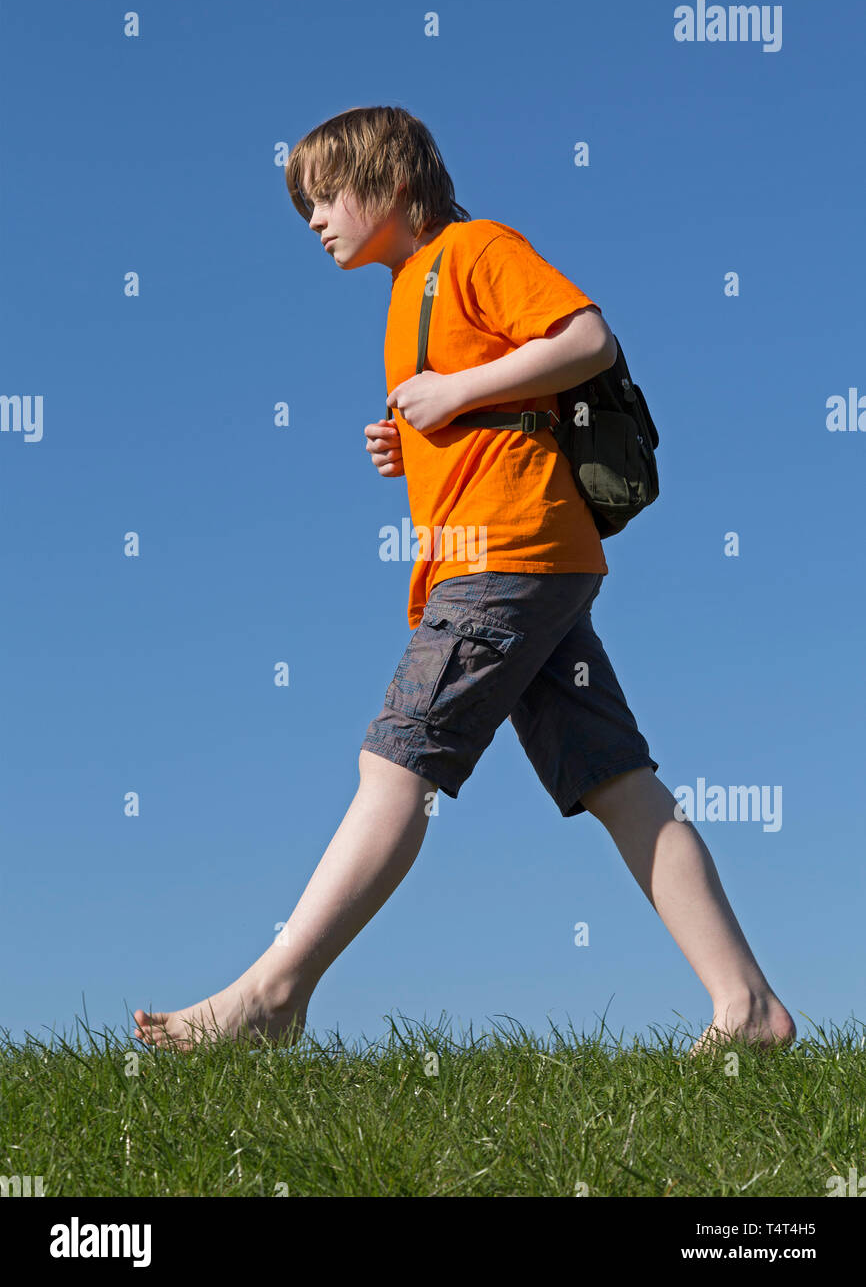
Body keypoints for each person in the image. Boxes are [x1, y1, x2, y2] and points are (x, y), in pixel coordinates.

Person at [134, 106, 795, 1055]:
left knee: (396, 756)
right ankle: (752, 1009)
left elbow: (586, 337)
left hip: (507, 556)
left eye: (327, 196)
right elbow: (486, 399)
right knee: (617, 780)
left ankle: (273, 996)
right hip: (525, 559)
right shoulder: (405, 293)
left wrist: (452, 393)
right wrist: (413, 439)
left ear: (393, 184)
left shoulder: (475, 249)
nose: (316, 219)